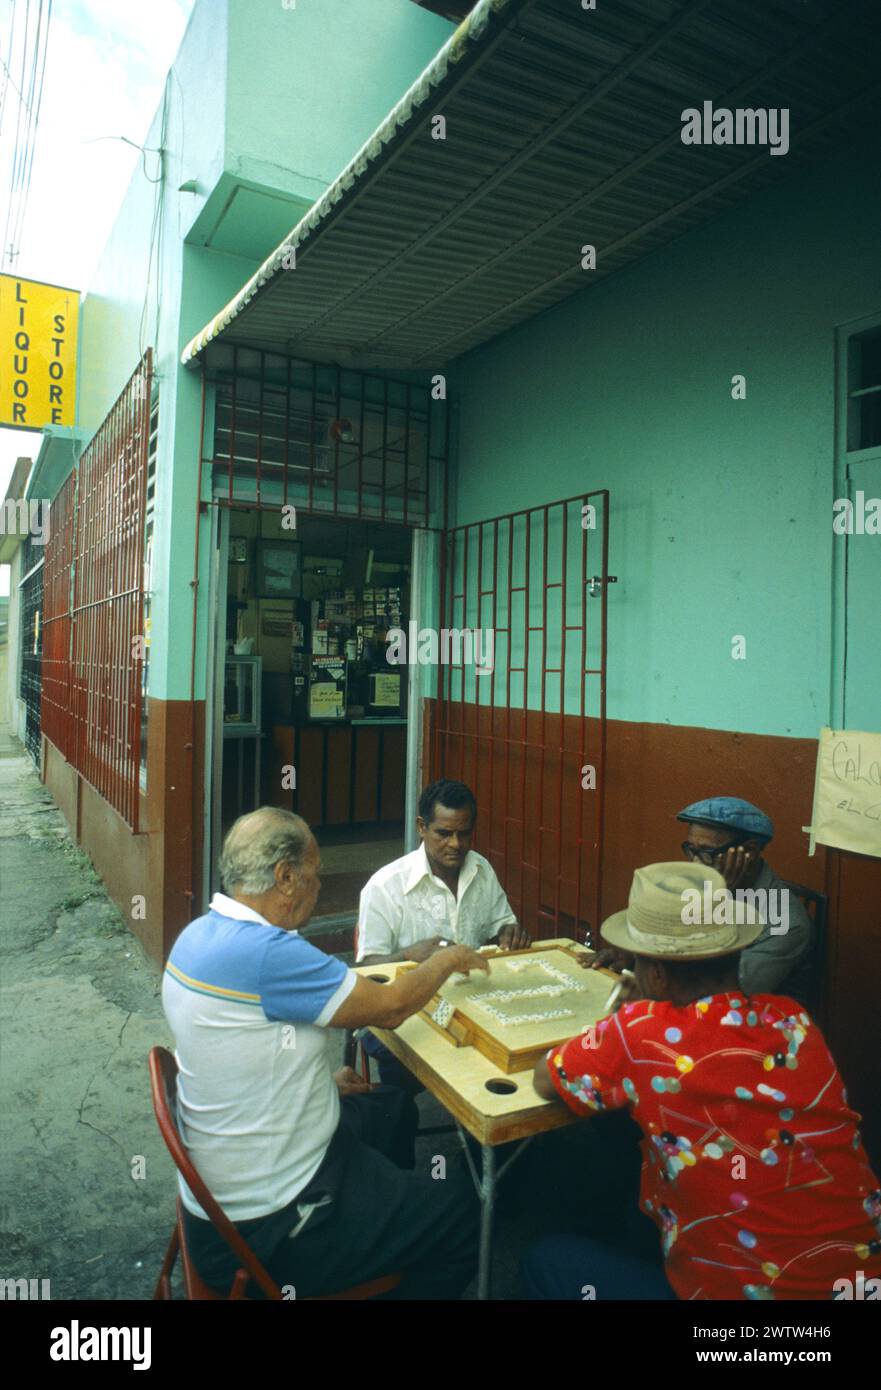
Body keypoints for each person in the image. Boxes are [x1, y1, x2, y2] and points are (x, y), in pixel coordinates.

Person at [162, 806, 489, 1299]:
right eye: (314, 874)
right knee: (464, 1214)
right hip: (266, 1228)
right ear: (285, 877)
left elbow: (238, 1049)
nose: (319, 885)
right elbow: (393, 1006)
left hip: (224, 1189)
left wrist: (313, 1081)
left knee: (392, 1107)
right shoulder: (272, 954)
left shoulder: (197, 936)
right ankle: (377, 1247)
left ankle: (382, 1226)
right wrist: (449, 957)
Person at [524, 861, 881, 1300]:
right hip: (862, 1285)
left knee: (543, 1259)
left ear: (655, 973)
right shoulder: (794, 1021)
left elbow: (547, 1078)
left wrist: (623, 1023)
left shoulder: (639, 1032)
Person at [356, 778, 530, 1094]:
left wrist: (510, 933)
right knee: (406, 1082)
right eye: (444, 833)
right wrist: (409, 954)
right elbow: (367, 970)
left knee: (511, 1059)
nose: (455, 844)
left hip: (474, 1004)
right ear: (422, 827)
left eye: (464, 834)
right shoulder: (385, 887)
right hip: (405, 1013)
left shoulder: (481, 869)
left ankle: (489, 1140)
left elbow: (503, 925)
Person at [590, 796, 813, 1003]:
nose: (696, 864)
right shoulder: (702, 883)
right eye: (691, 850)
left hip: (749, 1027)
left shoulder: (786, 923)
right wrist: (640, 956)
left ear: (750, 852)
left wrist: (718, 899)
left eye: (707, 852)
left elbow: (722, 991)